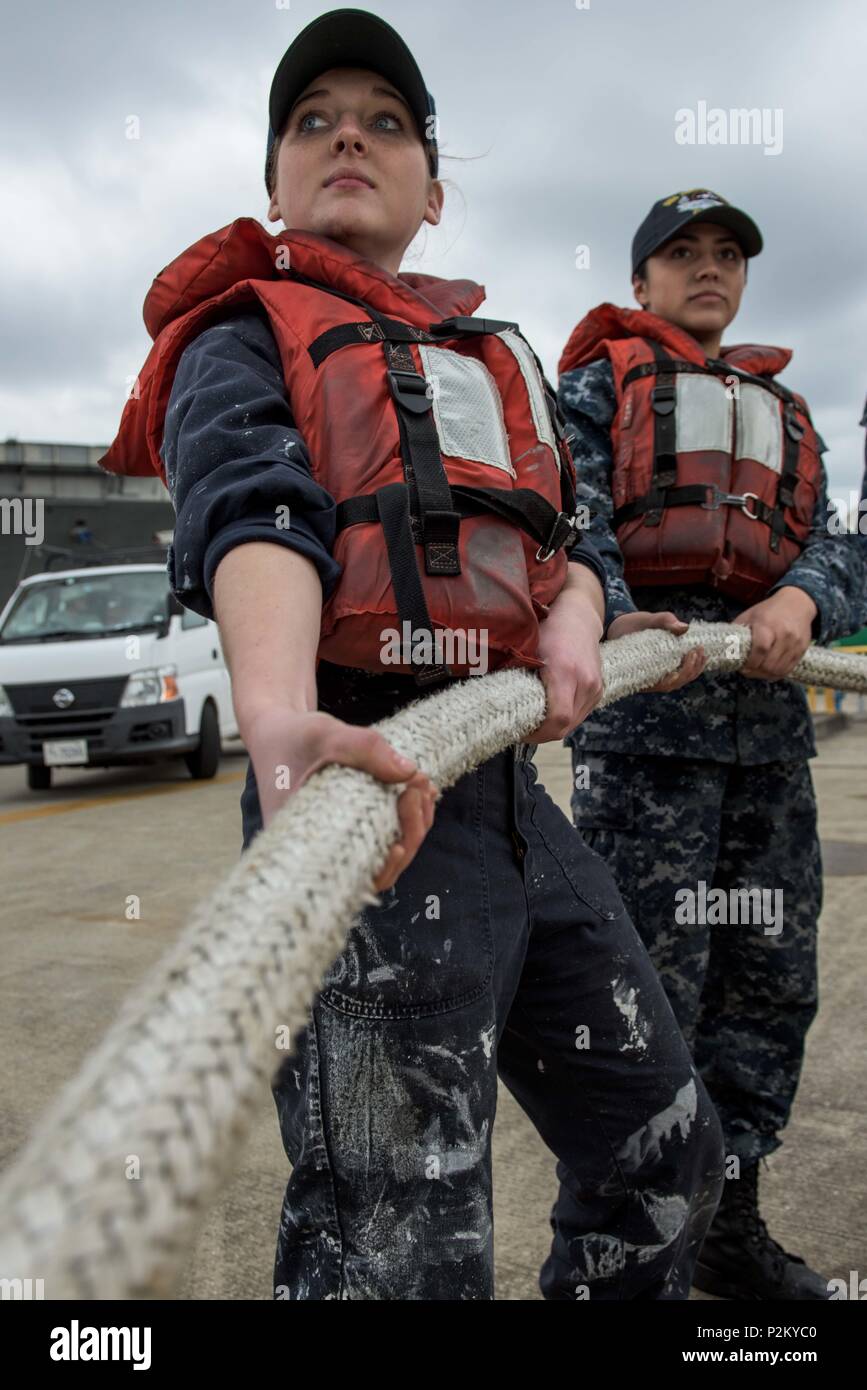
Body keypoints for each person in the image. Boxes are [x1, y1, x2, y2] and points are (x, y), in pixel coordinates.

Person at [100, 13, 723, 1301]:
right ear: (273, 179)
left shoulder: (497, 365)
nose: (347, 136)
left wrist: (571, 614)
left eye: (386, 121)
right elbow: (251, 503)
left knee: (667, 1152)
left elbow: (571, 536)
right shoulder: (241, 333)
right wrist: (273, 713)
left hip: (509, 797)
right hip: (356, 788)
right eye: (312, 118)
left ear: (434, 192)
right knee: (395, 1250)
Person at [558, 189, 866, 1300]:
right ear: (638, 281)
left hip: (770, 755)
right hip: (647, 750)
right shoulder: (591, 393)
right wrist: (621, 614)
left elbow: (842, 543)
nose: (707, 269)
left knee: (766, 993)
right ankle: (621, 1260)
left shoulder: (786, 411)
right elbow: (571, 522)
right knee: (642, 1008)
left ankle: (729, 1231)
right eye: (680, 254)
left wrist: (804, 600)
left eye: (726, 253)